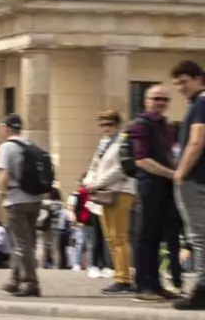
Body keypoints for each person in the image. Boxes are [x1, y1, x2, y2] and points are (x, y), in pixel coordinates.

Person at [129, 84, 184, 302]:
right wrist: (172, 174)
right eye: (156, 98)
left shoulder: (165, 126)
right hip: (149, 186)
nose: (160, 102)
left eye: (164, 99)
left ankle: (157, 284)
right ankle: (144, 286)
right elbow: (142, 160)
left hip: (164, 187)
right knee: (146, 236)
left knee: (160, 238)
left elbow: (168, 154)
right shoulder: (139, 125)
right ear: (146, 100)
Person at [83, 109, 134, 295]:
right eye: (103, 124)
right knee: (111, 238)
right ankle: (119, 275)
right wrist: (88, 182)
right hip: (104, 192)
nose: (106, 128)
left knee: (119, 237)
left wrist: (96, 183)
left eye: (109, 124)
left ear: (117, 124)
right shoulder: (103, 144)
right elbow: (94, 166)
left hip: (120, 191)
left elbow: (120, 169)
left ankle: (125, 278)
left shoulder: (124, 141)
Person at [0, 113, 44, 297]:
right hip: (35, 200)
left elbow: (4, 175)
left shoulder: (7, 147)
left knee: (22, 244)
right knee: (25, 242)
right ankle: (14, 279)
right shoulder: (30, 144)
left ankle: (31, 282)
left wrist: (0, 194)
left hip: (16, 200)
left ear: (6, 128)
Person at [171, 60, 205, 310]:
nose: (180, 88)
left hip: (195, 179)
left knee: (199, 236)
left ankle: (202, 290)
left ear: (198, 78)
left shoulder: (201, 103)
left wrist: (180, 172)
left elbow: (197, 141)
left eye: (184, 82)